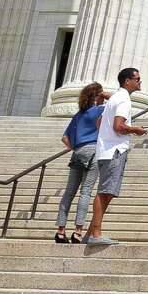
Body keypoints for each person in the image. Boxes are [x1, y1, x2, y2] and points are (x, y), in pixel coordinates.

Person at [86, 68, 147, 246]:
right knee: (105, 192)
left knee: (107, 192)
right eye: (137, 78)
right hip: (114, 150)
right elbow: (118, 126)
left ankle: (91, 232)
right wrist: (136, 130)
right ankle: (95, 234)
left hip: (107, 148)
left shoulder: (114, 98)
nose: (140, 82)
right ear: (127, 81)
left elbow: (100, 123)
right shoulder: (123, 100)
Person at [55, 83, 105, 244]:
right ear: (97, 96)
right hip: (93, 151)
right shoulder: (99, 111)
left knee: (69, 192)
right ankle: (77, 231)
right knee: (85, 192)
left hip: (78, 152)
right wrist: (104, 95)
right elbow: (118, 102)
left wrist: (76, 148)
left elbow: (64, 138)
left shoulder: (78, 115)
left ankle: (60, 231)